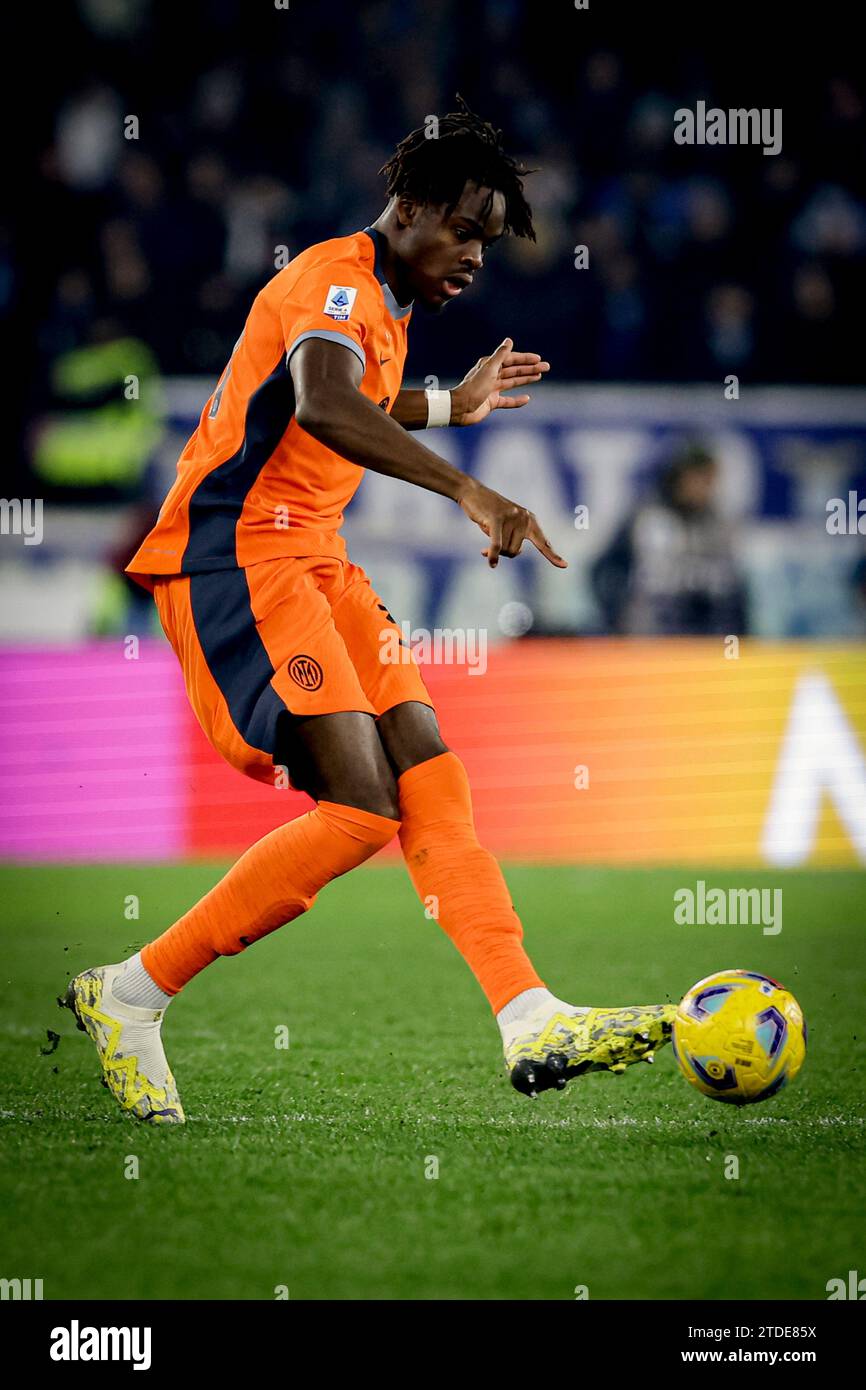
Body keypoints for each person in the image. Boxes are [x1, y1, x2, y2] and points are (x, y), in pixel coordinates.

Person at [61, 100, 673, 1123]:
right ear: (408, 206)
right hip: (236, 557)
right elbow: (321, 404)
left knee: (429, 768)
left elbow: (358, 393)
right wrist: (467, 487)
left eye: (486, 239)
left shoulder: (377, 308)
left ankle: (528, 1012)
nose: (474, 256)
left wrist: (452, 404)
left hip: (317, 560)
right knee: (359, 806)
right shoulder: (334, 280)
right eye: (466, 229)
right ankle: (131, 993)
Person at [592, 444, 747, 635]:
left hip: (704, 643)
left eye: (710, 481)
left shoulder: (720, 524)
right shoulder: (647, 519)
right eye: (698, 478)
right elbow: (603, 570)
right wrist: (615, 615)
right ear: (679, 477)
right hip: (650, 637)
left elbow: (733, 590)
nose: (705, 488)